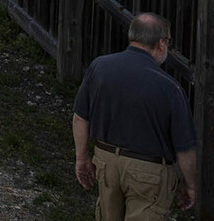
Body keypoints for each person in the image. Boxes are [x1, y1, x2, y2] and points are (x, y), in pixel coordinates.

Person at [72, 13, 198, 219]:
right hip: (149, 171)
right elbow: (185, 148)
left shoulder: (99, 67)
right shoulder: (170, 88)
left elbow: (80, 117)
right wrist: (190, 185)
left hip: (106, 161)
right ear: (161, 43)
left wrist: (81, 157)